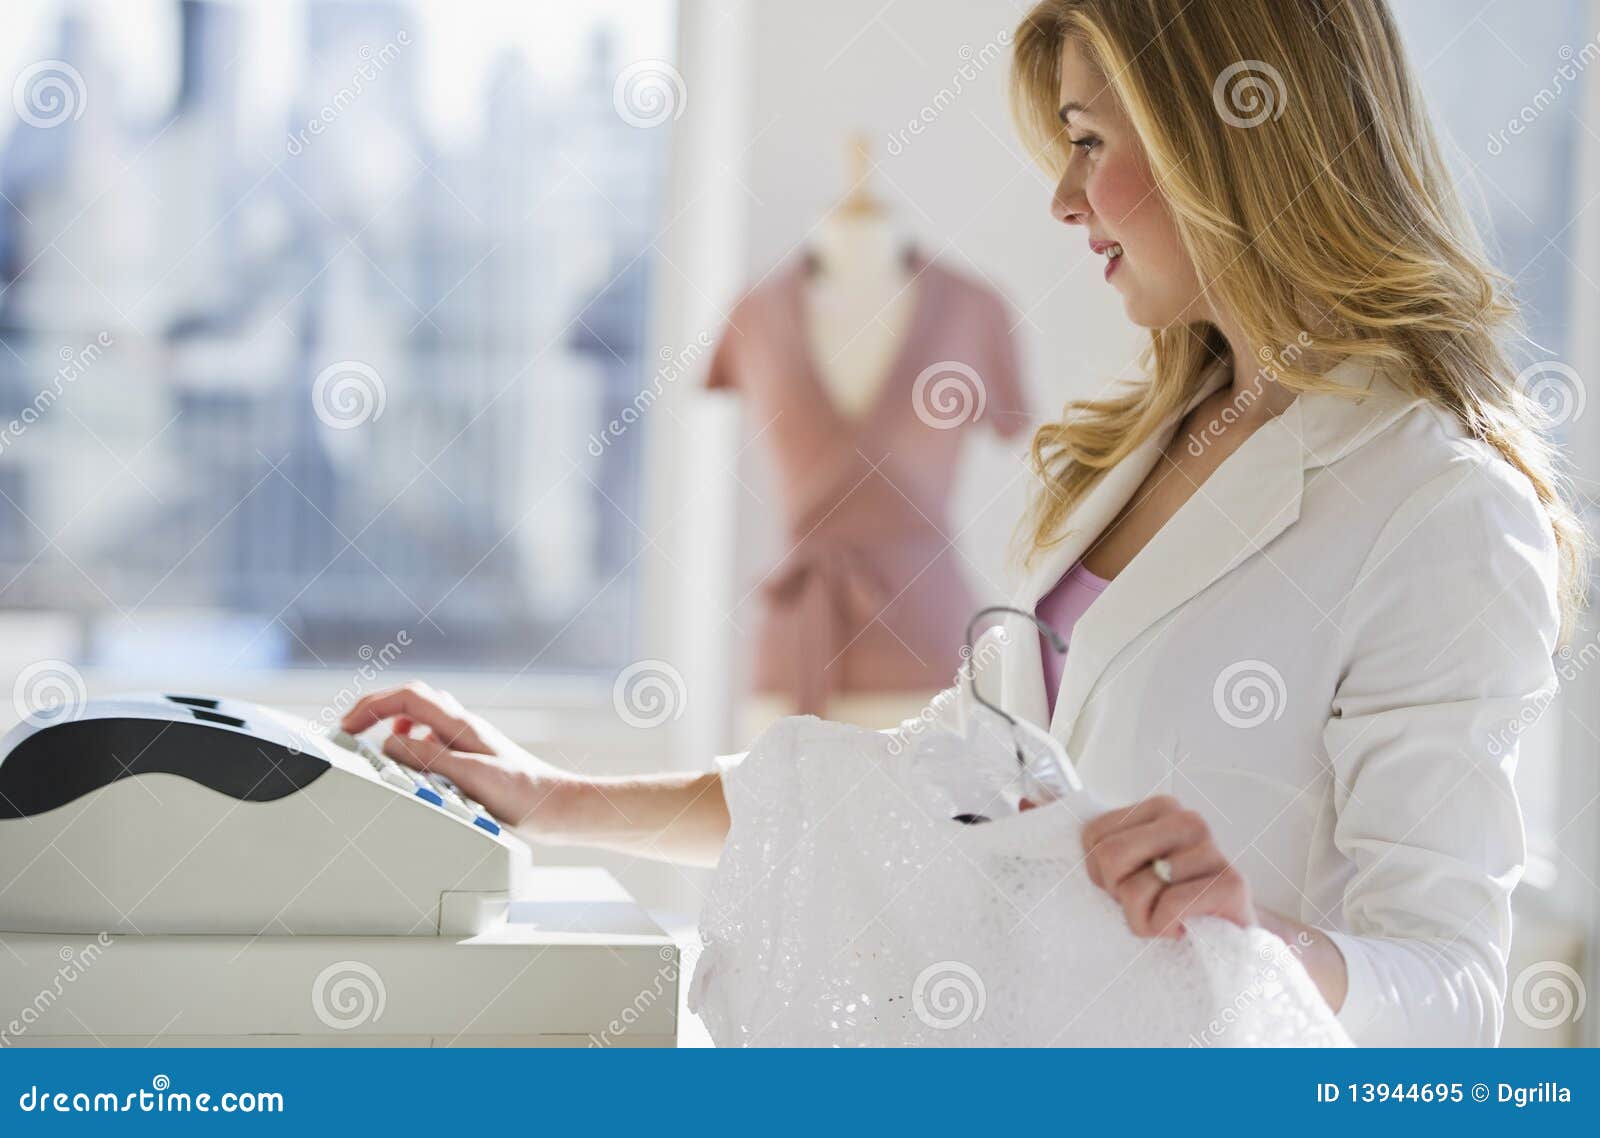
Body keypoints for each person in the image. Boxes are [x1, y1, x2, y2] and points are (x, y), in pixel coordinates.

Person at [339, 0, 1589, 1047]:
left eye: (1090, 140)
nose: (1063, 197)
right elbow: (918, 793)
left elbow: (1455, 992)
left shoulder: (1440, 507)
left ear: (1226, 139)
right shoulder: (1158, 442)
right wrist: (552, 797)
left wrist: (1251, 936)